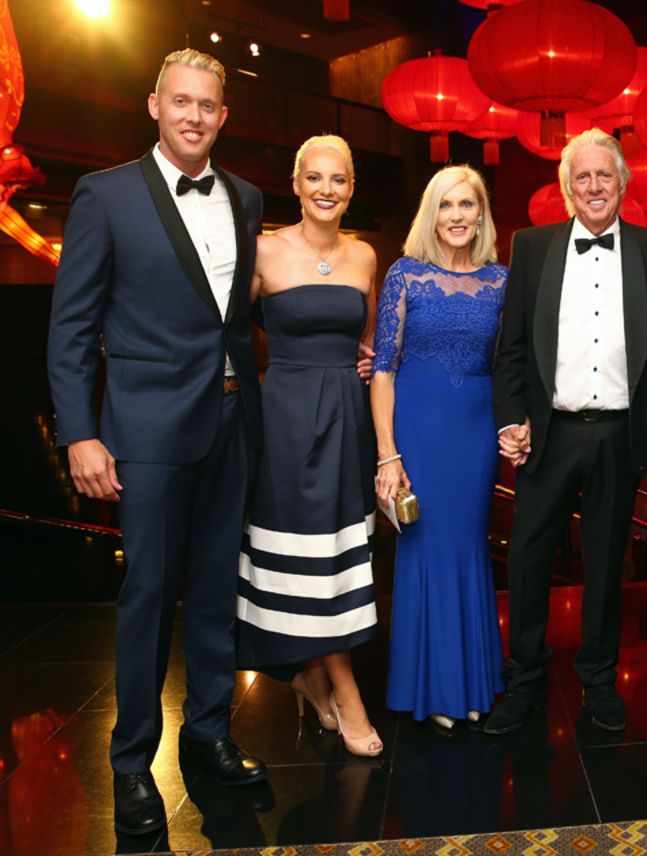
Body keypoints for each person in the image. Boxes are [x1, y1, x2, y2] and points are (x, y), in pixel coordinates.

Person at [46, 49, 266, 836]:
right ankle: (132, 763)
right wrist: (80, 432)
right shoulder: (104, 195)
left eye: (207, 105)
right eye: (182, 102)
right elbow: (72, 327)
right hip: (146, 432)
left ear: (223, 116)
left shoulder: (246, 198)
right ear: (154, 105)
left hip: (232, 423)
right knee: (146, 597)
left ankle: (208, 734)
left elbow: (234, 317)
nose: (194, 116)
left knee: (214, 592)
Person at [485, 129, 647, 734]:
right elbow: (511, 348)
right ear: (567, 188)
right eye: (583, 176)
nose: (595, 186)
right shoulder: (531, 247)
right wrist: (511, 417)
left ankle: (599, 680)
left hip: (620, 434)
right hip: (549, 433)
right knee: (528, 557)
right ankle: (525, 679)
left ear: (624, 183)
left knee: (606, 562)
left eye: (606, 175)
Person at [235, 135, 382, 757]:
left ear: (351, 189)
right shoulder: (264, 250)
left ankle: (313, 679)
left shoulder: (365, 256)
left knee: (338, 554)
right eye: (314, 177)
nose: (326, 189)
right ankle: (346, 692)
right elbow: (229, 334)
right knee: (301, 555)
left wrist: (368, 362)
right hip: (285, 420)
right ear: (295, 184)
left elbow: (367, 340)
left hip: (348, 416)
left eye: (338, 179)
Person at [371, 165, 508, 732]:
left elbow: (512, 364)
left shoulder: (501, 281)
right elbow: (383, 370)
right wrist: (387, 454)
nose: (456, 216)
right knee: (423, 547)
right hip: (417, 429)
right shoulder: (404, 274)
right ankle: (431, 688)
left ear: (481, 215)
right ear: (431, 214)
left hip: (475, 430)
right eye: (446, 205)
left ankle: (471, 681)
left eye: (466, 205)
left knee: (468, 545)